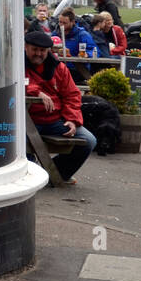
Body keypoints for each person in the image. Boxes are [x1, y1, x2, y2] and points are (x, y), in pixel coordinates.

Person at [24, 31, 96, 184]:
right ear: (26, 47)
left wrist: (72, 120)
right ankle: (27, 178)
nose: (38, 54)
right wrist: (37, 92)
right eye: (34, 49)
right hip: (25, 120)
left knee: (89, 141)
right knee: (15, 142)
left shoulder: (60, 68)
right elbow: (15, 83)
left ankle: (56, 173)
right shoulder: (16, 64)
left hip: (54, 120)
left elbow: (72, 95)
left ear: (48, 50)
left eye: (42, 51)